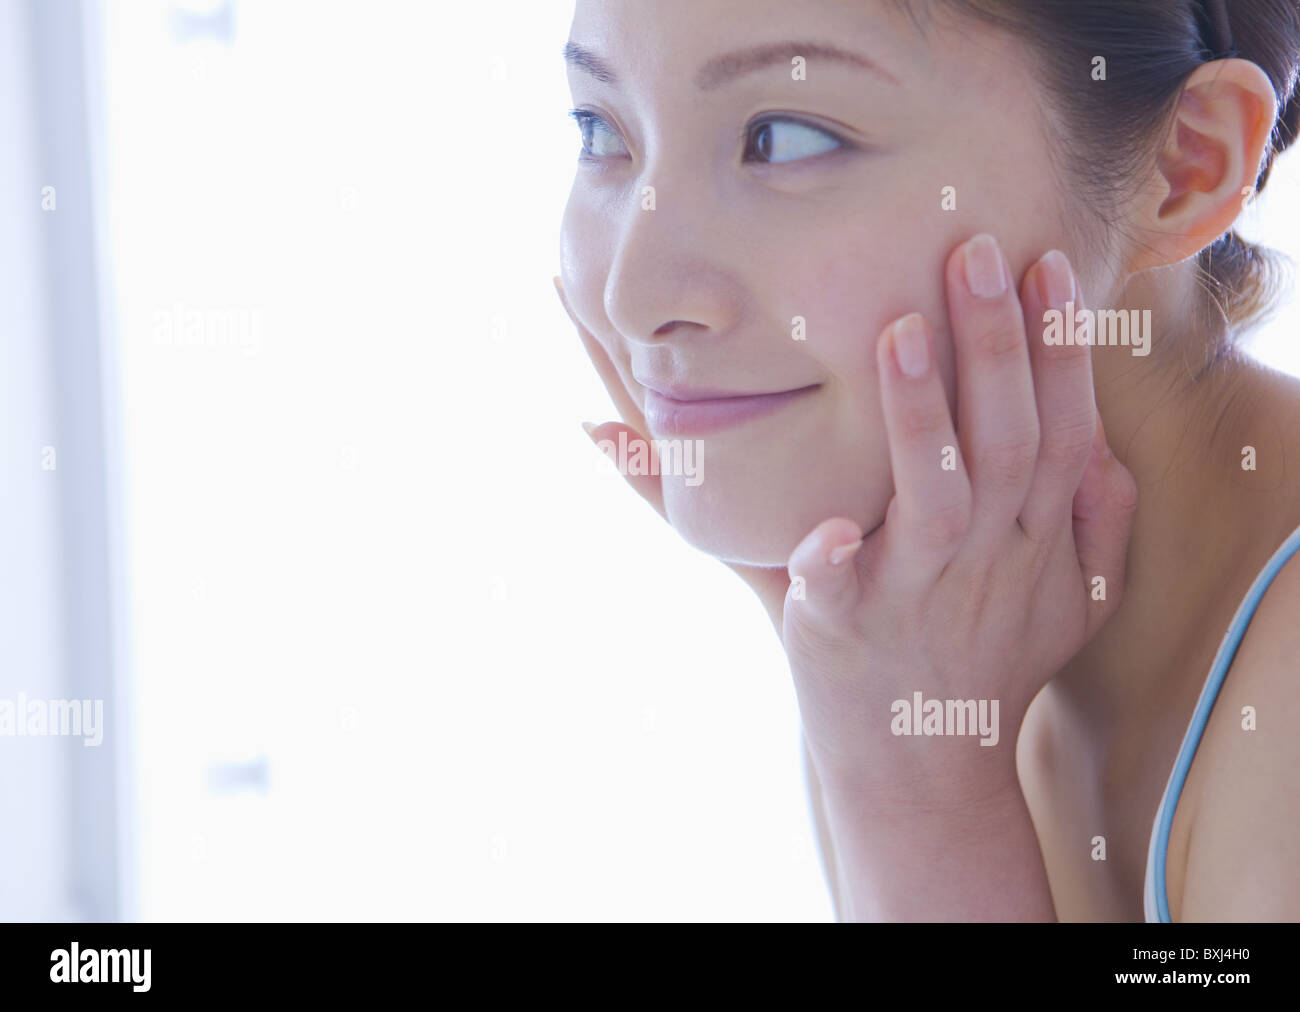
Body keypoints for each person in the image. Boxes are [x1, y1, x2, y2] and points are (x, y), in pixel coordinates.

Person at [554, 0, 1300, 921]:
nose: (633, 294)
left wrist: (919, 806)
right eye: (601, 129)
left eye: (785, 138)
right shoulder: (913, 629)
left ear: (1188, 165)